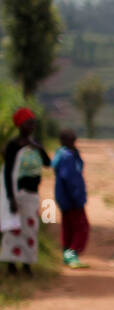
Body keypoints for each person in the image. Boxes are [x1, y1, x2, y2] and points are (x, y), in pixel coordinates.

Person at [2, 108, 51, 276]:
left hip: (32, 195)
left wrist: (38, 147)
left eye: (33, 123)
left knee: (30, 230)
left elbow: (47, 163)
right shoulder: (13, 146)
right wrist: (11, 198)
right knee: (13, 229)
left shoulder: (35, 144)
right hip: (17, 194)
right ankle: (11, 264)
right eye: (28, 123)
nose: (32, 126)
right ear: (20, 125)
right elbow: (8, 173)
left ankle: (27, 264)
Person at [52, 129, 89, 268]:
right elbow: (71, 179)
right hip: (72, 199)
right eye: (73, 141)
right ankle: (72, 254)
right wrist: (77, 197)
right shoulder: (68, 157)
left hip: (63, 198)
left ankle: (66, 254)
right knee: (81, 227)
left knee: (68, 227)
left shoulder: (60, 155)